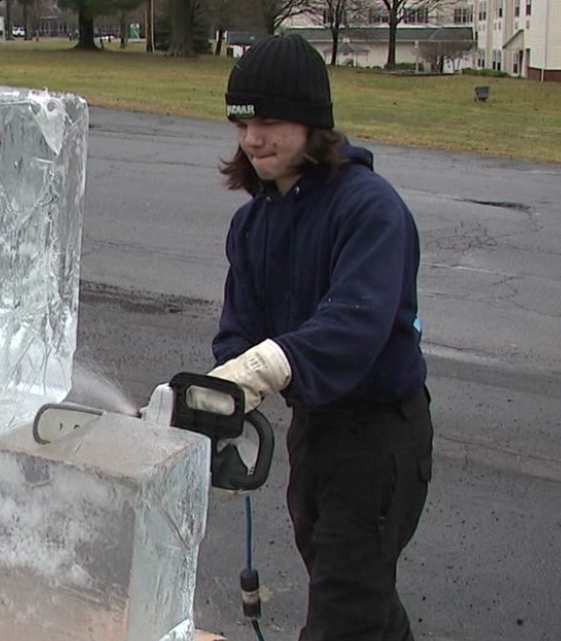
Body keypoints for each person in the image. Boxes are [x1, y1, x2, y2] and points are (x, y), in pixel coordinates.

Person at [194, 34, 434, 641]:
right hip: (316, 434)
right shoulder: (254, 223)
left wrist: (268, 366)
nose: (253, 139)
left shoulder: (369, 210)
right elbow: (239, 334)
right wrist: (222, 397)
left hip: (381, 435)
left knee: (344, 608)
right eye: (242, 123)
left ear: (313, 123)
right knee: (358, 593)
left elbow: (354, 326)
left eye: (270, 121)